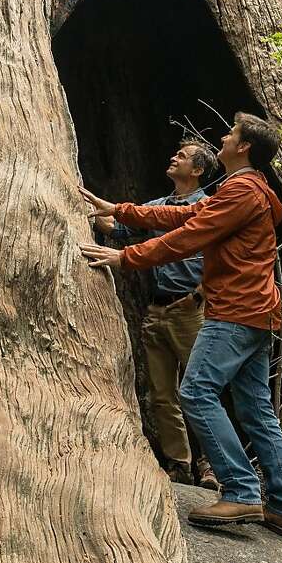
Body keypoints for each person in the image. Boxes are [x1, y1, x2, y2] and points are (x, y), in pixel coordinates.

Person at [81, 113, 282, 537]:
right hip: (256, 312)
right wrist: (120, 211)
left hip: (235, 311)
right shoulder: (244, 189)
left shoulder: (242, 190)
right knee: (256, 410)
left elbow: (190, 235)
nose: (223, 137)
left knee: (197, 392)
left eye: (231, 134)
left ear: (244, 147)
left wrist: (127, 257)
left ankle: (240, 490)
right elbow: (184, 214)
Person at [97, 139, 220, 487]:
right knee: (162, 393)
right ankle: (179, 464)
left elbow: (222, 256)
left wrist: (200, 295)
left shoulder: (209, 208)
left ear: (197, 170)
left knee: (200, 389)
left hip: (191, 310)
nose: (173, 157)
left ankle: (210, 466)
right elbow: (119, 230)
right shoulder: (156, 207)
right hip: (156, 309)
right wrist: (83, 201)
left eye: (182, 156)